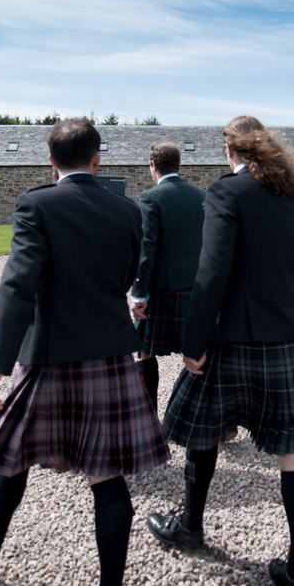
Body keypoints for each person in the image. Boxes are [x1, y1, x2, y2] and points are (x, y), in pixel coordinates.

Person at [0, 118, 170, 586]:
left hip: (50, 355)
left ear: (50, 161)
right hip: (107, 354)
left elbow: (18, 283)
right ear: (98, 158)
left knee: (14, 460)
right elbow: (124, 277)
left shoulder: (36, 205)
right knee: (107, 476)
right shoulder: (128, 211)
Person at [145, 116, 294, 586]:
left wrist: (193, 341)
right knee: (292, 447)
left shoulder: (227, 192)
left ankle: (191, 527)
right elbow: (292, 263)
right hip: (284, 332)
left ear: (230, 148)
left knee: (204, 432)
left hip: (230, 335)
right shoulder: (289, 196)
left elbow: (212, 270)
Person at [128, 142, 207, 408]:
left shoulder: (150, 197)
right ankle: (213, 421)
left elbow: (147, 248)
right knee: (198, 352)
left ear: (153, 165)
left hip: (161, 290)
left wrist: (138, 293)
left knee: (145, 351)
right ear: (178, 164)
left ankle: (148, 416)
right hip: (197, 290)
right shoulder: (201, 195)